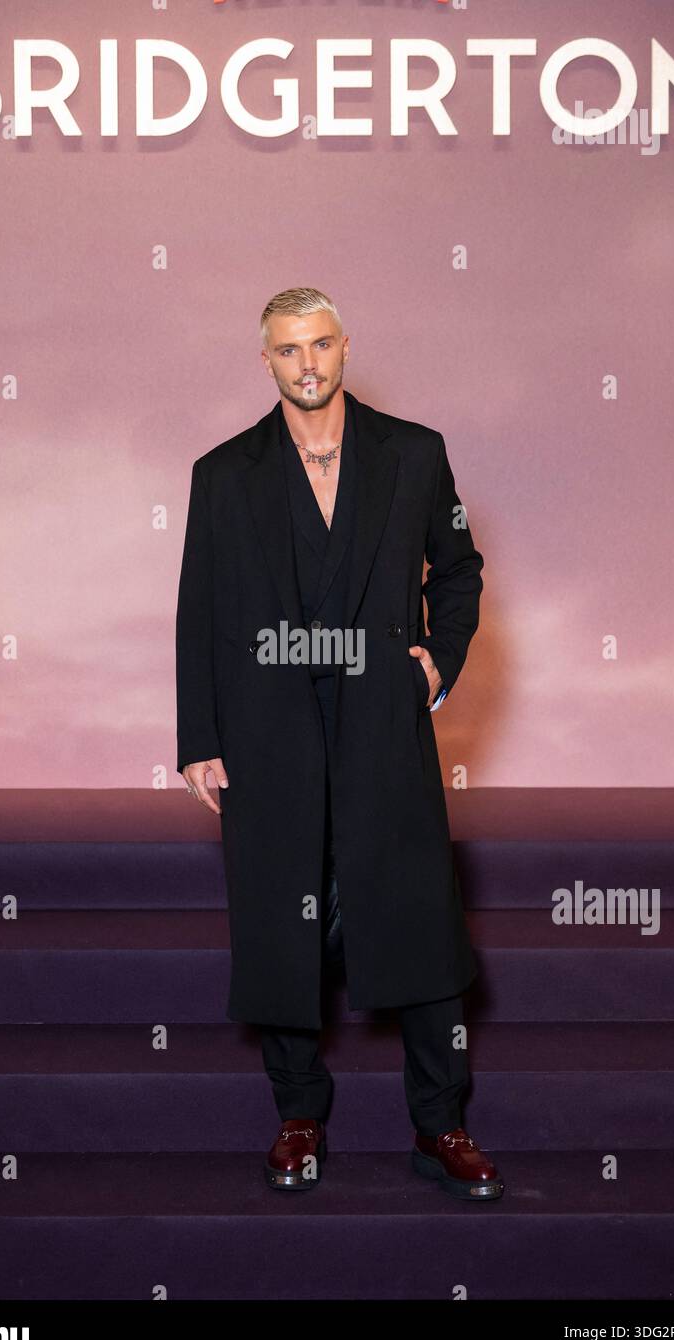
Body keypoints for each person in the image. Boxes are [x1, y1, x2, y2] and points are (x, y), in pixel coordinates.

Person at [176, 287, 503, 1201]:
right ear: (267, 360)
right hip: (265, 725)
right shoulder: (222, 472)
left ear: (346, 346)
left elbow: (462, 568)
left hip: (380, 723)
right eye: (288, 350)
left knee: (419, 921)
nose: (307, 363)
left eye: (320, 344)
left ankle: (442, 1125)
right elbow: (198, 610)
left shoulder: (415, 453)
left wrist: (434, 664)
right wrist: (199, 737)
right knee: (284, 921)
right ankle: (297, 1118)